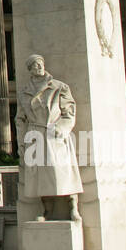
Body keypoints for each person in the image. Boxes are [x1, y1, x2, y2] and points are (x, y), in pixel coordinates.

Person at [15, 54, 83, 220]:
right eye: (35, 65)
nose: (39, 67)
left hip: (55, 134)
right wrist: (22, 142)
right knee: (40, 178)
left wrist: (62, 128)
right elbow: (20, 119)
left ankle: (73, 207)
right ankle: (46, 210)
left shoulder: (59, 87)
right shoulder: (24, 92)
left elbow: (69, 111)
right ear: (30, 70)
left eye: (40, 64)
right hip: (35, 134)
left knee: (65, 172)